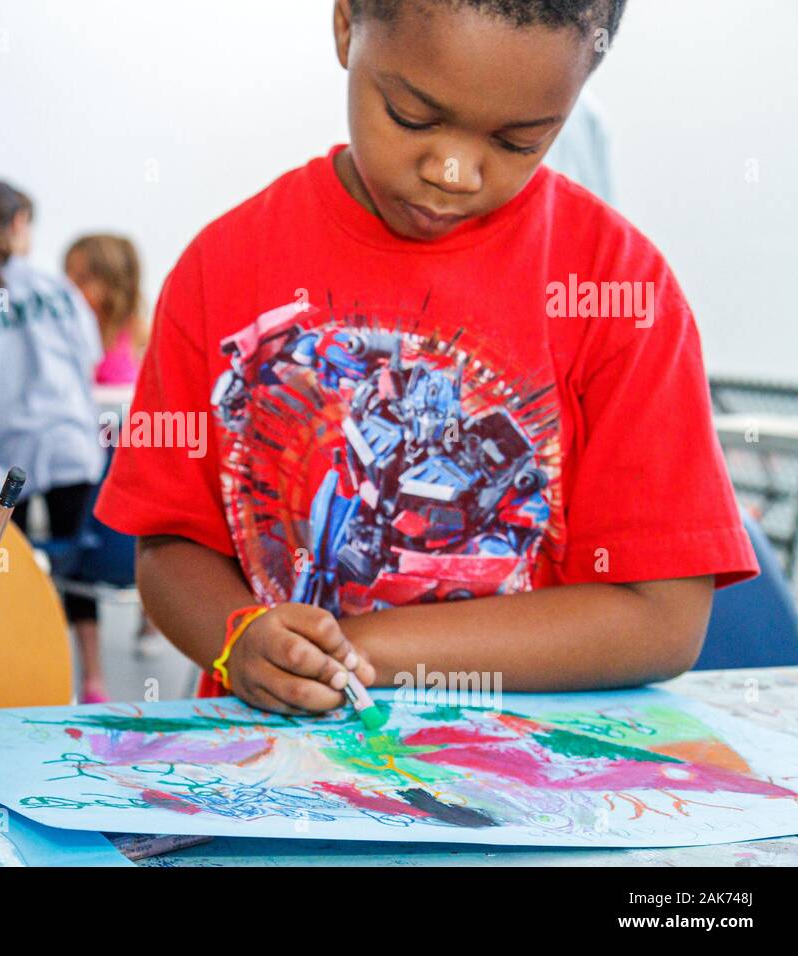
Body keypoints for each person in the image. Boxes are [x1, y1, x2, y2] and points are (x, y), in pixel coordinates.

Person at [94, 0, 757, 714]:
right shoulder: (219, 270)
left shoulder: (619, 289)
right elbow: (170, 549)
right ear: (347, 25)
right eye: (413, 117)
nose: (455, 172)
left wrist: (362, 650)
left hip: (531, 792)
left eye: (518, 141)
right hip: (277, 773)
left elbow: (662, 620)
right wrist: (238, 636)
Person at [0, 181, 111, 702]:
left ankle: (26, 676)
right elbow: (88, 355)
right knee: (76, 569)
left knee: (13, 571)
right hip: (71, 444)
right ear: (18, 224)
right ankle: (94, 679)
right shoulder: (58, 289)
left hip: (7, 457)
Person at [64, 234, 149, 386]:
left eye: (82, 279)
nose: (69, 289)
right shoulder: (66, 332)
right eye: (67, 278)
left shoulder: (138, 333)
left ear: (112, 284)